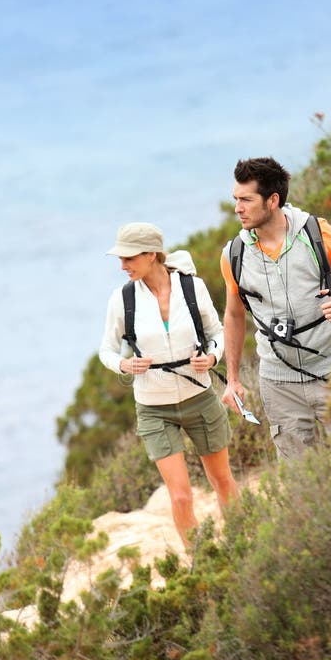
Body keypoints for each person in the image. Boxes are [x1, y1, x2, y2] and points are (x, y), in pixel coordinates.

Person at [220, 157, 331, 460]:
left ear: (272, 200)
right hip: (277, 383)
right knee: (301, 479)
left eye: (246, 200)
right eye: (236, 199)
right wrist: (233, 379)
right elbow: (234, 315)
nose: (238, 208)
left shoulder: (316, 233)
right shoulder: (234, 254)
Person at [100, 222, 237, 549]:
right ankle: (200, 565)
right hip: (153, 408)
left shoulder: (192, 288)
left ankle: (239, 546)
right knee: (179, 496)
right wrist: (124, 364)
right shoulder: (122, 299)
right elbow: (106, 349)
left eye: (129, 258)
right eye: (120, 259)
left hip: (200, 398)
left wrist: (213, 357)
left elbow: (218, 333)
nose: (122, 266)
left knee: (222, 481)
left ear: (151, 254)